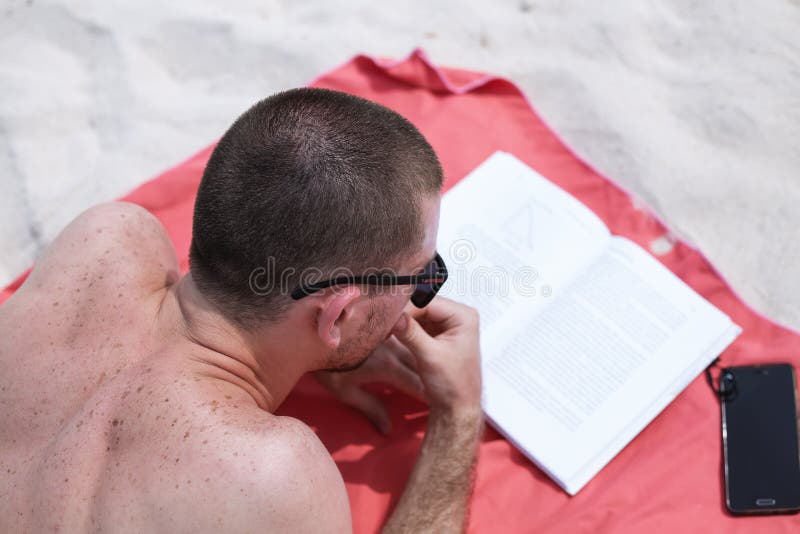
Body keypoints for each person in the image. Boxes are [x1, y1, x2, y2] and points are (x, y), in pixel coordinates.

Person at [0, 88, 484, 533]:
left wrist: (315, 356)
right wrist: (458, 416)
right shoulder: (272, 475)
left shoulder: (104, 237)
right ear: (338, 315)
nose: (423, 291)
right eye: (421, 277)